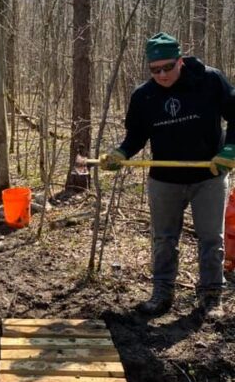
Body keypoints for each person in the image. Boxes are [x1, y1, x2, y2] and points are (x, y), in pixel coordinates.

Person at [101, 32, 235, 319]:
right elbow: (135, 136)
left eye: (167, 67)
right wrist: (121, 153)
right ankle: (162, 292)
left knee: (212, 238)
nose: (161, 74)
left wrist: (230, 149)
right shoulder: (143, 96)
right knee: (163, 239)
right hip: (164, 180)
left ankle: (212, 295)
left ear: (180, 61)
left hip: (209, 176)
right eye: (155, 69)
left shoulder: (210, 80)